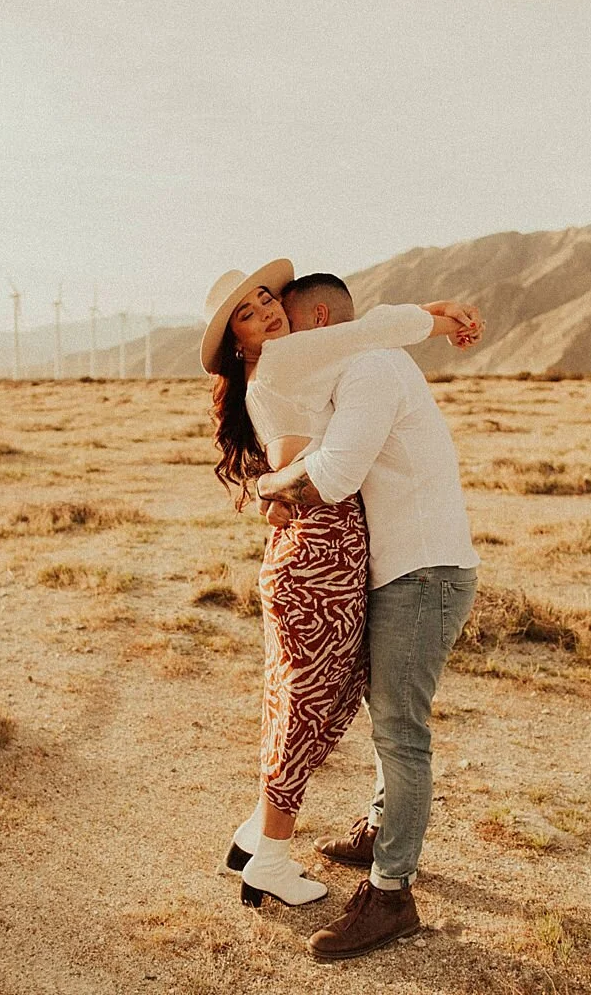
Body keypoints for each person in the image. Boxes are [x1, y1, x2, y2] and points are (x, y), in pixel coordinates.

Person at [200, 259, 480, 909]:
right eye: (249, 313)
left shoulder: (314, 363)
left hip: (337, 557)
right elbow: (327, 472)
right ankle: (278, 860)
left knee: (308, 702)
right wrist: (441, 315)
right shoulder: (289, 362)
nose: (268, 313)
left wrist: (270, 488)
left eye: (268, 300)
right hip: (321, 558)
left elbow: (367, 330)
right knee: (309, 708)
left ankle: (258, 837)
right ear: (237, 340)